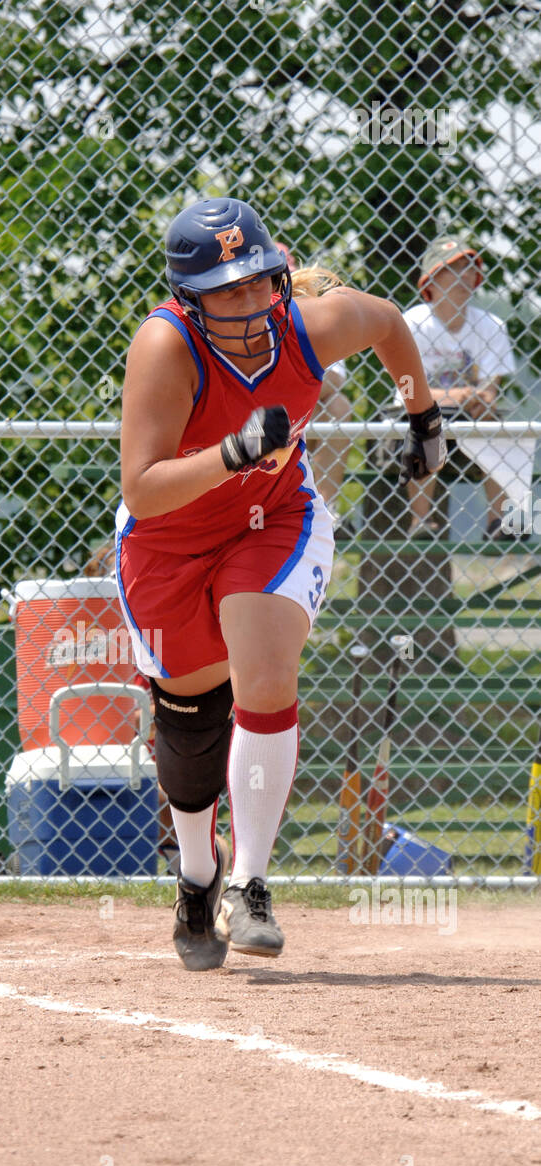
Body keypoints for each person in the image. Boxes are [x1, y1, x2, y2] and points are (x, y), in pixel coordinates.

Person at [115, 196, 444, 971]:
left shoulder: (309, 326)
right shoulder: (166, 347)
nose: (250, 300)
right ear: (188, 298)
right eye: (226, 290)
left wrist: (422, 416)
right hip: (168, 543)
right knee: (190, 723)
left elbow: (392, 323)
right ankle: (199, 877)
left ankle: (252, 882)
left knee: (264, 674)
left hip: (273, 522)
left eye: (260, 280)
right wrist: (232, 451)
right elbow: (144, 489)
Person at [398, 234, 524, 539]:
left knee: (495, 424)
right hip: (423, 413)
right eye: (452, 269)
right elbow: (409, 393)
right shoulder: (413, 322)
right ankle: (422, 522)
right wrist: (460, 395)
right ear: (431, 280)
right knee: (423, 422)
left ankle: (499, 522)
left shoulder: (491, 325)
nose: (464, 276)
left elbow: (490, 391)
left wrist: (478, 398)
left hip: (472, 417)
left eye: (469, 268)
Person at [276, 243, 354, 523]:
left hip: (306, 406)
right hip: (262, 411)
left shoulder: (315, 320)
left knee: (340, 405)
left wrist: (298, 382)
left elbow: (334, 380)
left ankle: (322, 506)